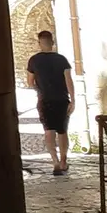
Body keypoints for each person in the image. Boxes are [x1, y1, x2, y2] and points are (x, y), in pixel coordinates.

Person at [26, 31, 76, 176]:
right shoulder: (62, 60)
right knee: (62, 131)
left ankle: (55, 162)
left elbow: (30, 82)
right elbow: (68, 80)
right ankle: (63, 161)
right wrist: (72, 99)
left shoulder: (34, 60)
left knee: (48, 131)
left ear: (39, 43)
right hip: (61, 99)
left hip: (44, 100)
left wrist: (38, 89)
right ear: (52, 43)